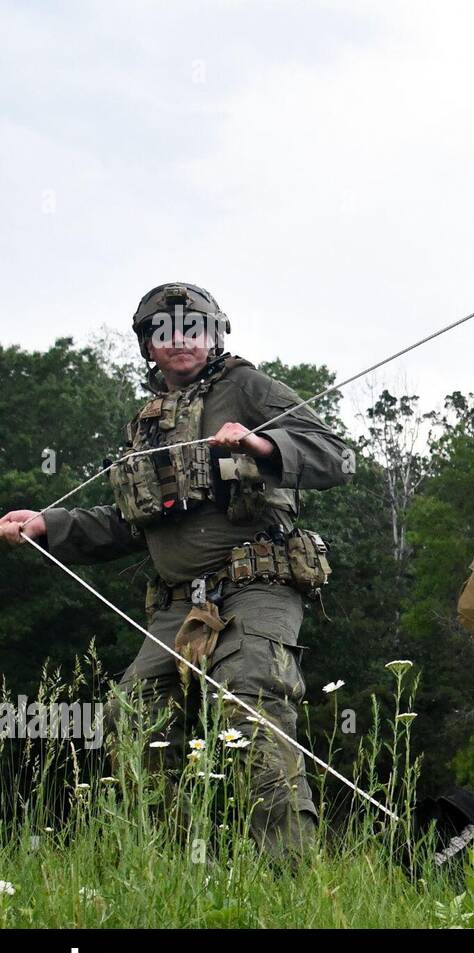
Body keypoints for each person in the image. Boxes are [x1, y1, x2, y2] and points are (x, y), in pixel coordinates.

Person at [0, 282, 352, 860]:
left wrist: (265, 445)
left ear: (215, 334)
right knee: (131, 718)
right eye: (164, 332)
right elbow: (129, 523)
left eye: (194, 327)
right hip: (177, 601)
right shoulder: (146, 423)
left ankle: (289, 877)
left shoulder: (248, 386)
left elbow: (336, 455)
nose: (180, 340)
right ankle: (175, 872)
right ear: (147, 347)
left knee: (250, 704)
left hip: (257, 581)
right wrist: (47, 525)